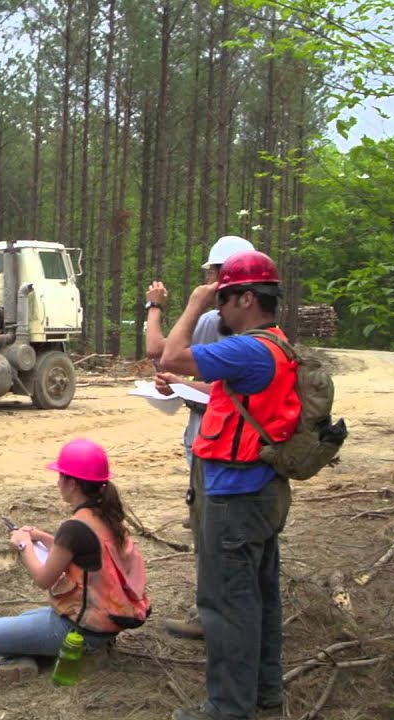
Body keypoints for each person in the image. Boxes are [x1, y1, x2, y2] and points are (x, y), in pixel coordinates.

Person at [160, 250, 299, 720]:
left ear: (245, 297)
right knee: (259, 596)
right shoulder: (272, 345)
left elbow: (170, 354)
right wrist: (183, 387)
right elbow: (228, 397)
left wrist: (194, 301)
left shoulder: (248, 348)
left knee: (225, 604)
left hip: (235, 496)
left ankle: (227, 708)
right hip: (261, 491)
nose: (218, 307)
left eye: (223, 297)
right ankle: (264, 693)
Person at [142, 234, 254, 640]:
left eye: (210, 276)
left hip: (211, 444)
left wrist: (156, 306)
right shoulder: (265, 334)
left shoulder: (211, 321)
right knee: (227, 538)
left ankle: (213, 620)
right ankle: (225, 616)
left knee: (212, 535)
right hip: (240, 449)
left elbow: (159, 350)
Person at [0, 438, 150, 689]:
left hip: (82, 630)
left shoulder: (75, 527)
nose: (58, 483)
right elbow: (80, 550)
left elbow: (43, 579)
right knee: (26, 618)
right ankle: (48, 657)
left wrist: (24, 544)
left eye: (61, 477)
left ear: (73, 483)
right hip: (106, 623)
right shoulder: (104, 514)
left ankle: (51, 658)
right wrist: (41, 536)